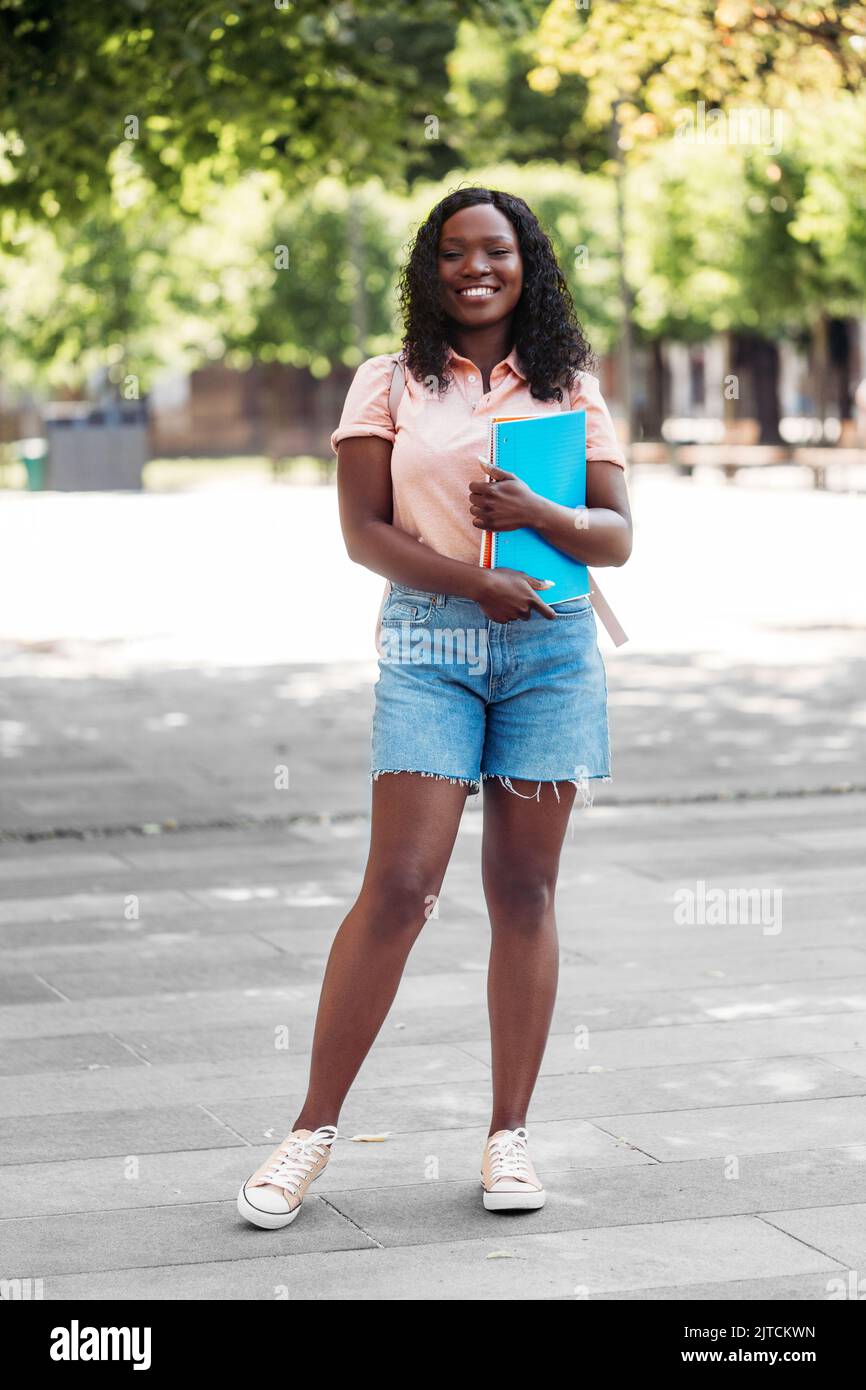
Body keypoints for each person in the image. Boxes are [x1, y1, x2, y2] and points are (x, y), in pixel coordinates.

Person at [237, 186, 632, 1229]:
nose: (474, 268)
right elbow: (363, 534)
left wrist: (538, 515)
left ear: (524, 263)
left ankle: (507, 1137)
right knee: (402, 885)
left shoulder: (571, 388)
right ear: (429, 268)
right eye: (452, 252)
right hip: (431, 641)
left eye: (494, 251)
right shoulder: (390, 381)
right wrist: (473, 584)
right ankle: (309, 1130)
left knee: (523, 891)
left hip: (551, 648)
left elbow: (614, 536)